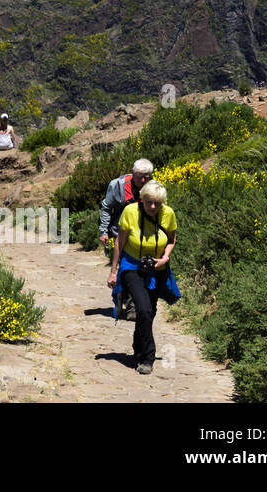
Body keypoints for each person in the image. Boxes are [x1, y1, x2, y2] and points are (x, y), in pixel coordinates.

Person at [107, 179, 180, 374]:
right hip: (132, 266)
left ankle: (138, 345)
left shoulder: (168, 214)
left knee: (149, 312)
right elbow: (119, 243)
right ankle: (147, 358)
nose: (153, 206)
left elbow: (172, 239)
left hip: (156, 268)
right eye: (149, 202)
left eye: (157, 203)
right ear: (142, 199)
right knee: (144, 310)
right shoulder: (130, 212)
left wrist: (165, 258)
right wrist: (113, 271)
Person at [100, 159, 154, 320]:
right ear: (133, 173)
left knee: (138, 270)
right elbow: (106, 208)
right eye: (140, 177)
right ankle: (124, 298)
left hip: (143, 235)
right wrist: (103, 231)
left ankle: (133, 305)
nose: (143, 180)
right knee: (125, 269)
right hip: (120, 233)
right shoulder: (117, 185)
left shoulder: (153, 187)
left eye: (146, 177)